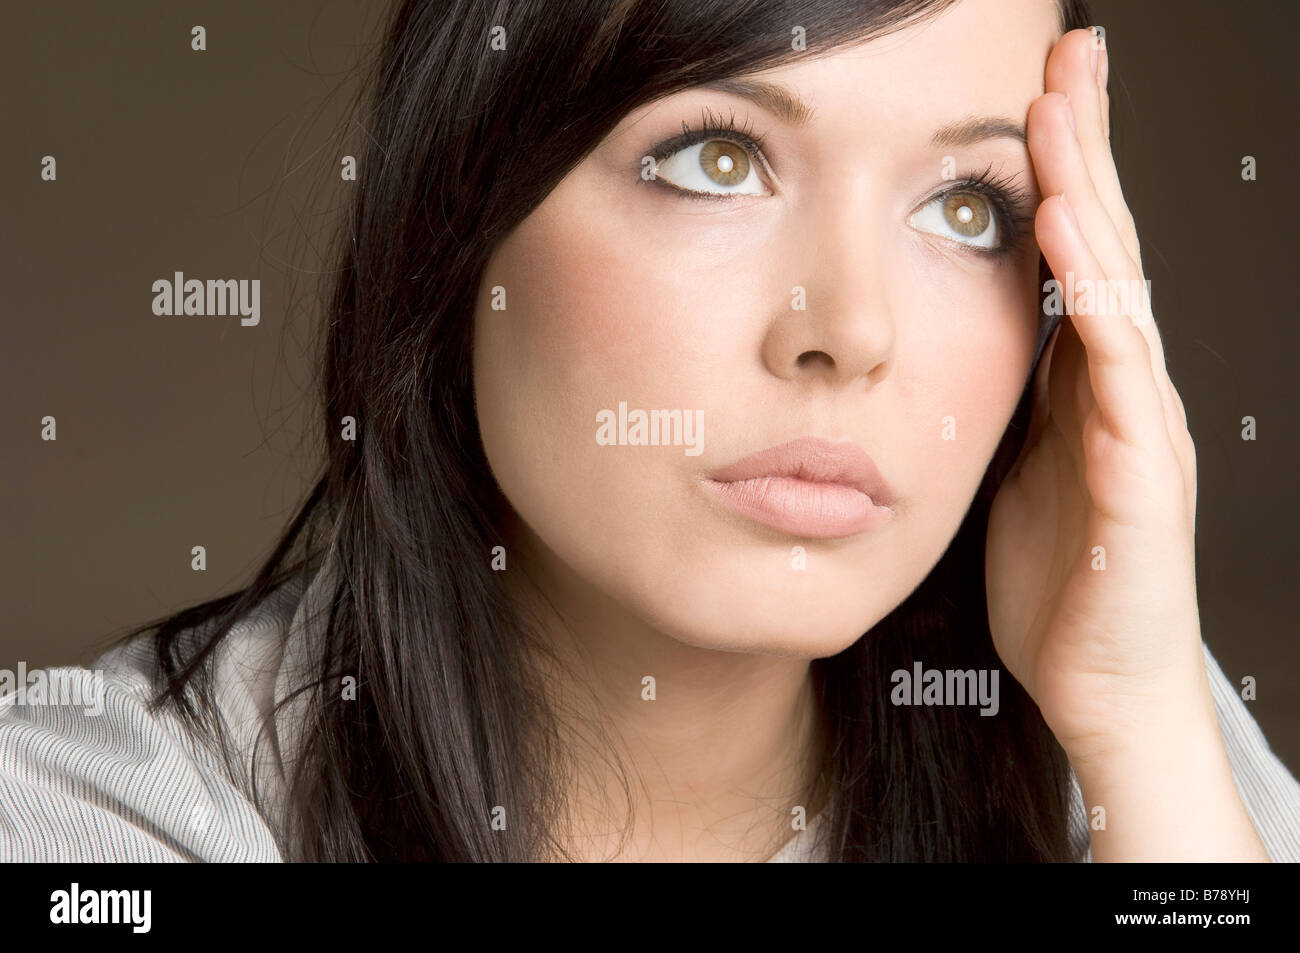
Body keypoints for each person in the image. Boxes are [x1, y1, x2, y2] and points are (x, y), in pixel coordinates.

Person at [4, 0, 1299, 863]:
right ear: (463, 213)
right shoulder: (93, 818)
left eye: (967, 206)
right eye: (716, 160)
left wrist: (1142, 728)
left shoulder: (1137, 754)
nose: (849, 329)